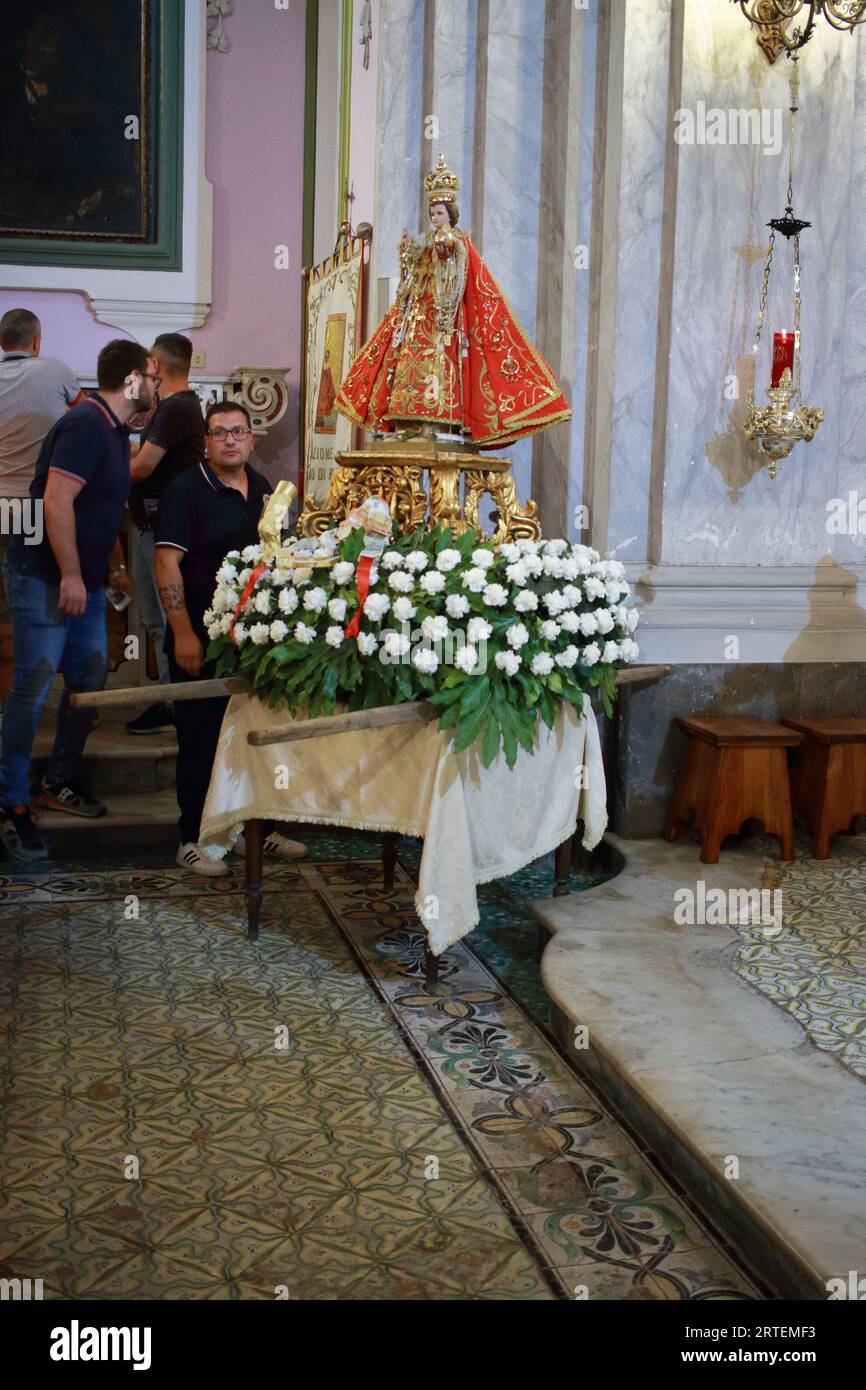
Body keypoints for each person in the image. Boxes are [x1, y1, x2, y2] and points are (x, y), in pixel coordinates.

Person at [0, 339, 156, 862]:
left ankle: (58, 780)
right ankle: (10, 802)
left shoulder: (115, 431)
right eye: (152, 376)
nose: (155, 385)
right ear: (133, 380)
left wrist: (111, 568)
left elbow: (103, 506)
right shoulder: (86, 424)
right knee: (34, 684)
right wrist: (70, 574)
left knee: (88, 679)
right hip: (43, 573)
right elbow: (57, 500)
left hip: (85, 577)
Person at [154, 401, 306, 875]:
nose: (230, 440)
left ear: (251, 439)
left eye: (238, 431)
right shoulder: (185, 489)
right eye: (220, 433)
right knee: (200, 738)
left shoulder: (263, 490)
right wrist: (182, 633)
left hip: (253, 642)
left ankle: (252, 828)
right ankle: (192, 837)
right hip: (199, 637)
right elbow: (165, 563)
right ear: (207, 442)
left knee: (251, 736)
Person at [336, 153, 571, 448]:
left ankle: (441, 417)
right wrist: (411, 253)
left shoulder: (458, 243)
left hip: (445, 320)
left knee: (440, 361)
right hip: (420, 317)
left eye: (440, 213)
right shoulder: (428, 241)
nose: (435, 218)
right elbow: (413, 276)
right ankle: (407, 418)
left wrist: (446, 253)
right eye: (432, 213)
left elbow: (463, 272)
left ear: (451, 214)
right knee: (407, 361)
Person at [0, 307, 86, 703]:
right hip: (36, 510)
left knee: (4, 617)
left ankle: (6, 713)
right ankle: (68, 702)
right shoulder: (53, 371)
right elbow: (88, 418)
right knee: (46, 610)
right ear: (37, 341)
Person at [126, 332, 205, 735]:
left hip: (160, 531)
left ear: (156, 365)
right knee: (156, 620)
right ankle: (172, 700)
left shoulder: (176, 408)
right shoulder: (175, 407)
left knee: (161, 621)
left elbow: (142, 469)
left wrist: (103, 471)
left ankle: (176, 705)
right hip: (153, 526)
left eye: (146, 364)